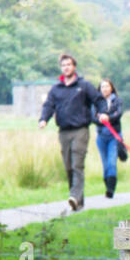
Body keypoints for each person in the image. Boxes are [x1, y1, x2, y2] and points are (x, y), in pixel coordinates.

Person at [37, 53, 100, 211]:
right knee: (68, 167)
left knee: (77, 164)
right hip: (63, 131)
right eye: (63, 65)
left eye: (69, 65)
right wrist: (44, 119)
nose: (66, 67)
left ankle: (73, 195)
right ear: (61, 68)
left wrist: (103, 112)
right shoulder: (56, 89)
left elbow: (97, 99)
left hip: (80, 130)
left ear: (74, 67)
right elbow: (49, 105)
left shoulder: (84, 85)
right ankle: (78, 201)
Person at [91, 77, 128, 198]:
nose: (105, 89)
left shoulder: (117, 100)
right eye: (102, 87)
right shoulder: (95, 102)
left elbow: (118, 113)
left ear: (111, 88)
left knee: (112, 162)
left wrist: (108, 118)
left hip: (114, 136)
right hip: (101, 136)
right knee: (105, 164)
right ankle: (107, 185)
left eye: (107, 86)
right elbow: (93, 117)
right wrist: (101, 120)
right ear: (99, 89)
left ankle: (110, 190)